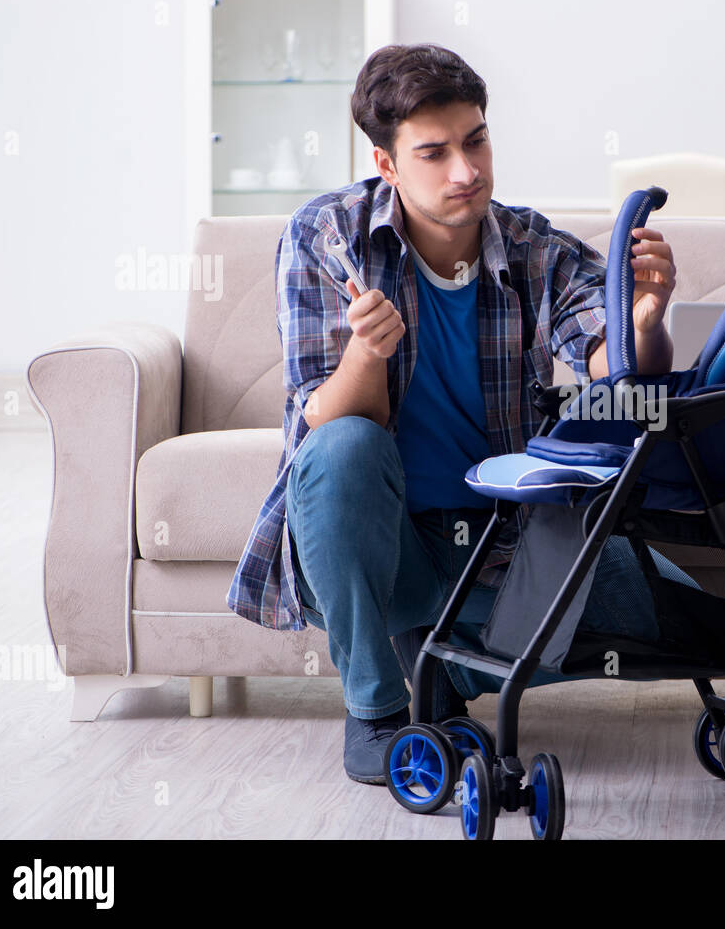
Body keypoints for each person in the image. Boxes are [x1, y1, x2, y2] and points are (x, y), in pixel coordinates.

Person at [226, 43, 694, 784]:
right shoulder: (327, 236)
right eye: (434, 153)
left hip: (502, 541)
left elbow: (620, 368)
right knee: (344, 445)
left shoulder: (532, 245)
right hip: (382, 544)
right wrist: (365, 355)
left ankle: (442, 664)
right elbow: (325, 423)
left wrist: (646, 318)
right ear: (387, 164)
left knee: (682, 620)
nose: (465, 172)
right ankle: (378, 708)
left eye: (475, 141)